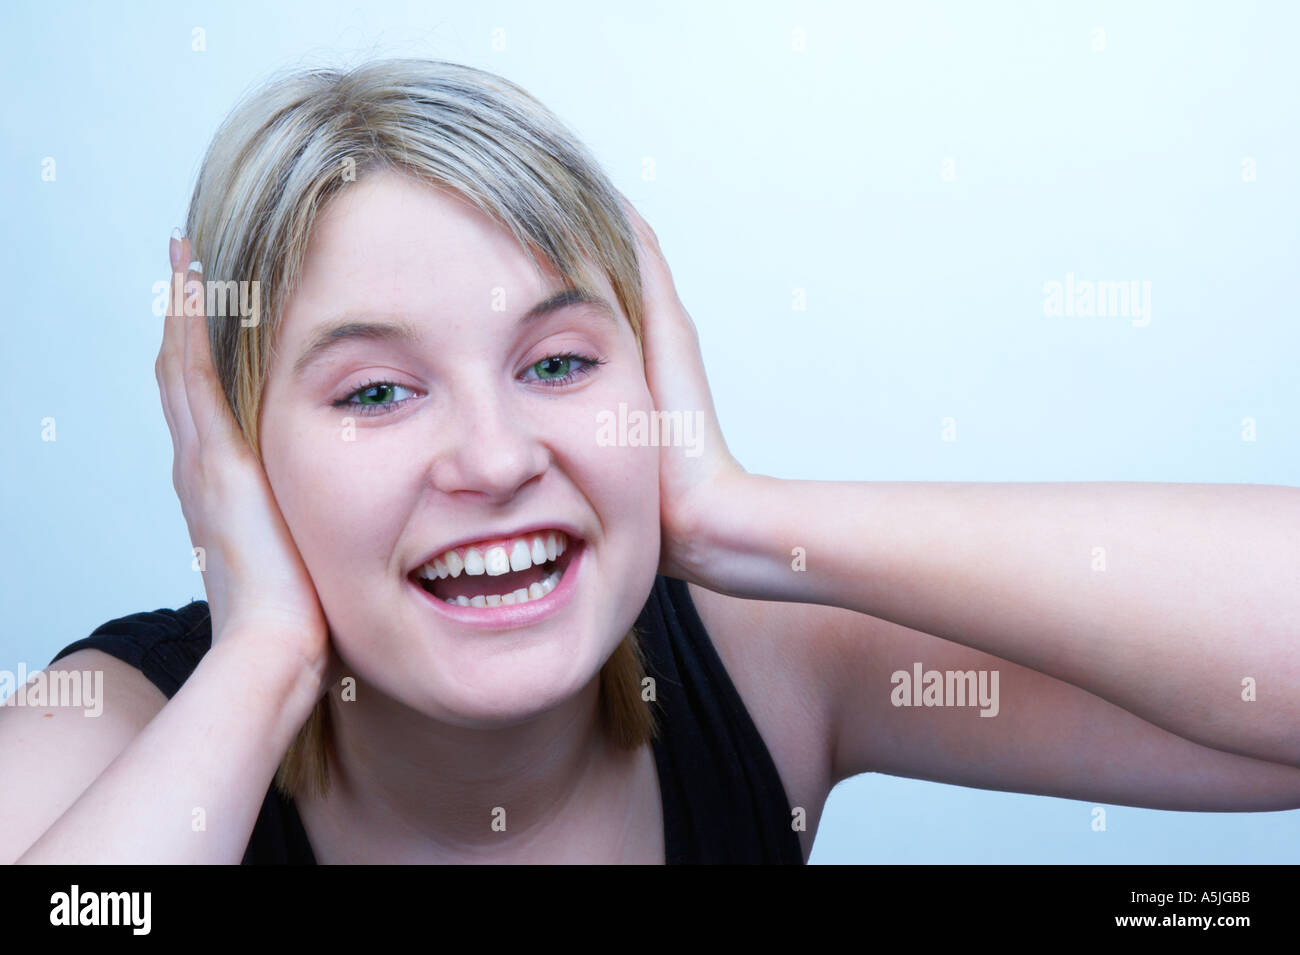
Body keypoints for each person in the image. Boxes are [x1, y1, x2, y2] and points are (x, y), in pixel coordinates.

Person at [6, 58, 1299, 865]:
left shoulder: (756, 666)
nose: (499, 455)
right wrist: (263, 666)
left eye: (558, 363)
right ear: (231, 451)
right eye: (380, 391)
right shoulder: (121, 734)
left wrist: (741, 521)